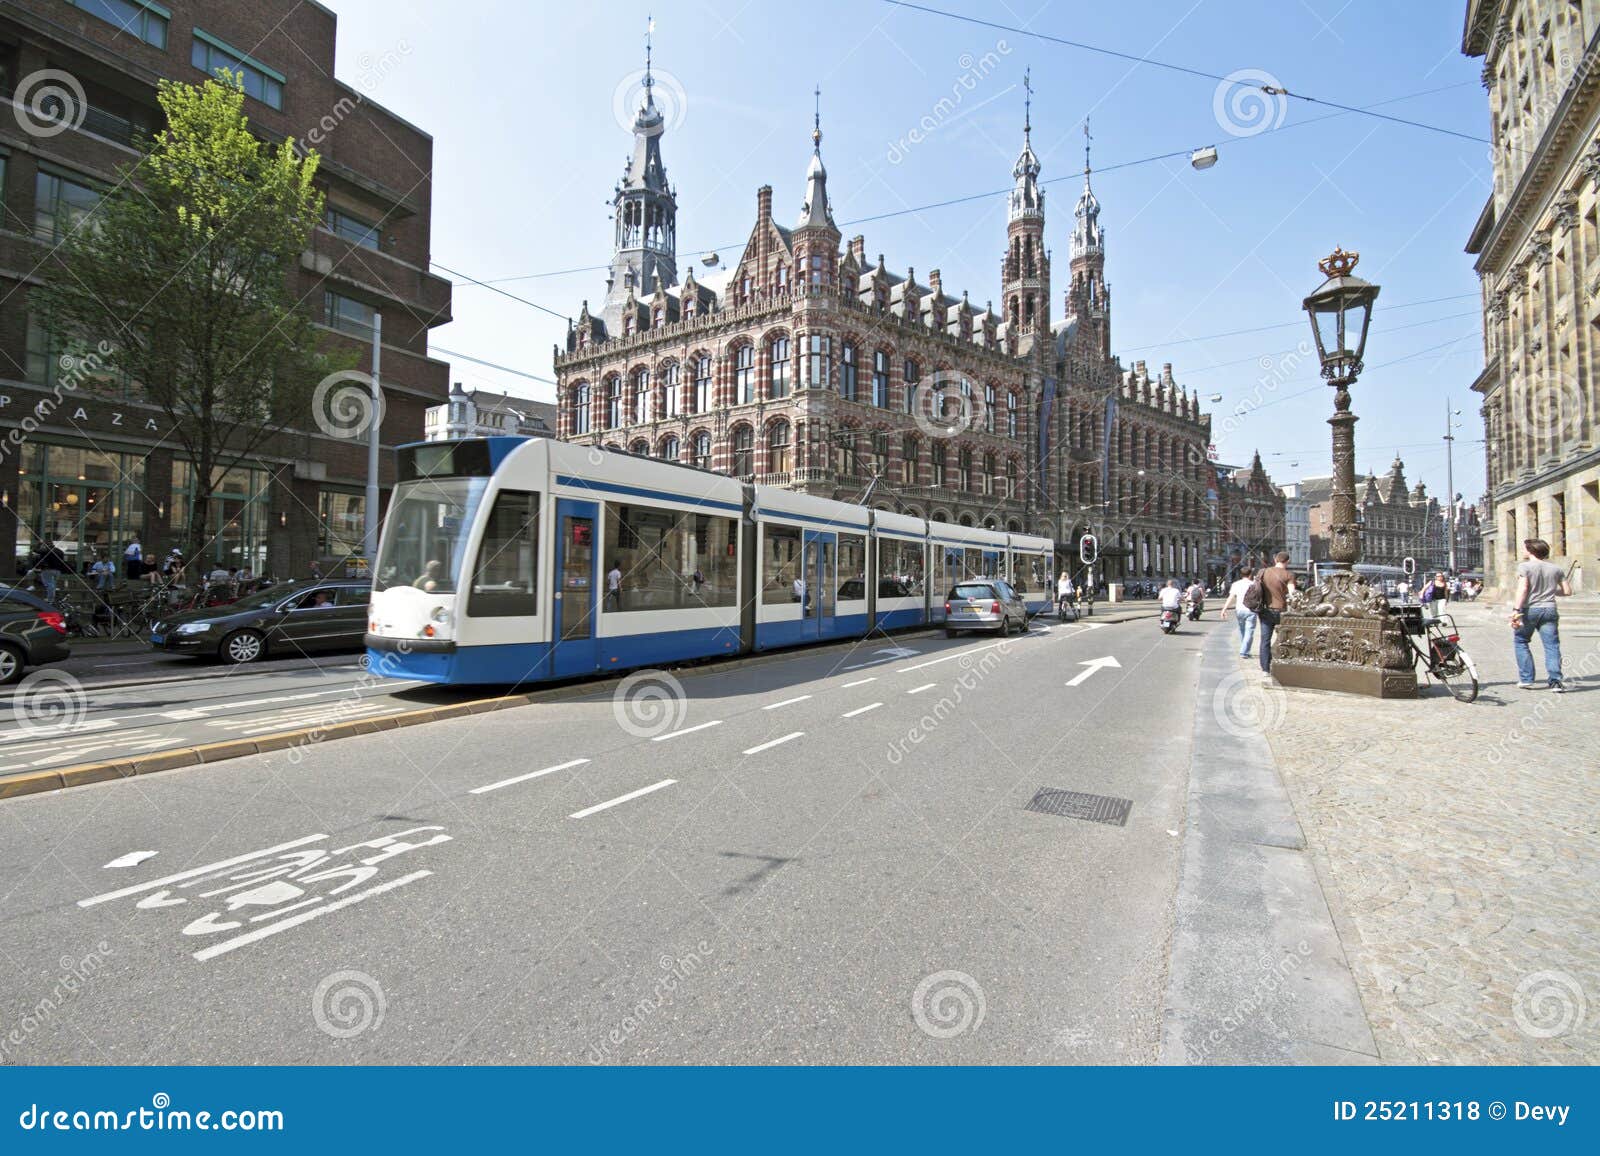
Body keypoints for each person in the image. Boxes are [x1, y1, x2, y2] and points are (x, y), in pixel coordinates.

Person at [1510, 538, 1571, 692]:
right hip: (1550, 609)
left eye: (1525, 548)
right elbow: (1567, 591)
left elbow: (1523, 589)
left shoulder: (1524, 567)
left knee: (1521, 641)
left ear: (1531, 551)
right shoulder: (1556, 569)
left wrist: (1516, 610)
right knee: (1552, 646)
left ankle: (1526, 679)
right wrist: (1550, 592)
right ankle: (1556, 681)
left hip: (1530, 609)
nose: (1523, 551)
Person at [1257, 551, 1296, 675]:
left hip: (1266, 610)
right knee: (1285, 639)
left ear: (1275, 560)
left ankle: (1265, 669)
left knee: (1265, 640)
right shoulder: (1289, 575)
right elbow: (1293, 595)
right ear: (1287, 561)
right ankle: (1282, 664)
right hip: (1282, 612)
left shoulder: (1263, 572)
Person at [1219, 566, 1257, 658]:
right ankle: (1244, 651)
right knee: (1249, 631)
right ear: (1250, 574)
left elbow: (1231, 597)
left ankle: (1245, 649)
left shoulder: (1236, 584)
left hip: (1239, 610)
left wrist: (1224, 609)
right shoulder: (1254, 584)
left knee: (1242, 629)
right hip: (1251, 610)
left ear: (1241, 574)